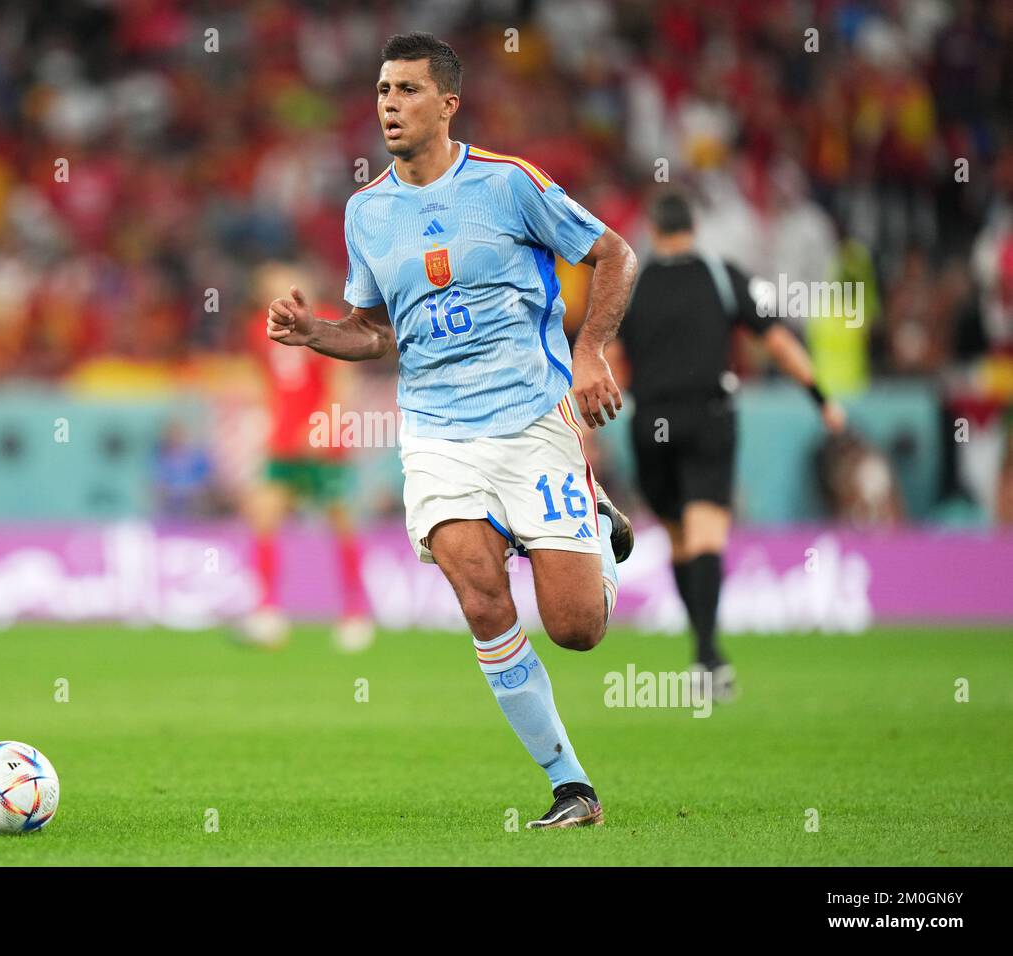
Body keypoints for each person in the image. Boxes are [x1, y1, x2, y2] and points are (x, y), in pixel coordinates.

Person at [266, 33, 637, 829]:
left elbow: (613, 253)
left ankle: (593, 523)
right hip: (437, 434)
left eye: (405, 90)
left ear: (448, 102)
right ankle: (572, 787)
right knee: (479, 593)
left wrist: (591, 350)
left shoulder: (509, 186)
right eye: (381, 90)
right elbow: (374, 332)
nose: (388, 105)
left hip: (533, 420)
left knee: (575, 629)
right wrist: (314, 333)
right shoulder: (366, 212)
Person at [608, 192, 846, 698]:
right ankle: (708, 655)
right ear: (694, 228)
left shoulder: (633, 286)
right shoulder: (723, 277)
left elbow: (609, 357)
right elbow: (776, 340)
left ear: (652, 230)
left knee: (678, 539)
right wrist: (820, 396)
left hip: (650, 424)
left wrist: (582, 421)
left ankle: (705, 650)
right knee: (707, 538)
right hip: (709, 418)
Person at [240, 262, 374, 653]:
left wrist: (323, 427)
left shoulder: (327, 323)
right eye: (269, 286)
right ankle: (267, 613)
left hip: (323, 445)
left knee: (341, 521)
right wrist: (267, 425)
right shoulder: (258, 329)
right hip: (282, 445)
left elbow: (342, 384)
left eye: (282, 283)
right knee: (263, 515)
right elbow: (265, 383)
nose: (275, 291)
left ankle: (354, 613)